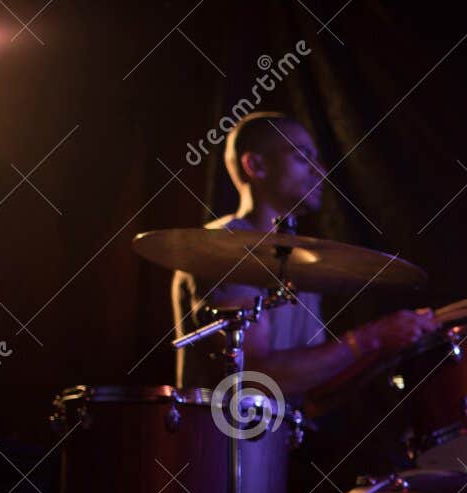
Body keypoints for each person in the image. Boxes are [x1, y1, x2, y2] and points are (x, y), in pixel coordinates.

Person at [172, 111, 439, 401]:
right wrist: (368, 338)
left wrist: (386, 346)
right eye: (302, 157)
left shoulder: (302, 263)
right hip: (217, 440)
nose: (320, 171)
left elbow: (314, 387)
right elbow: (255, 379)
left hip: (281, 441)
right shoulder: (222, 249)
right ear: (255, 165)